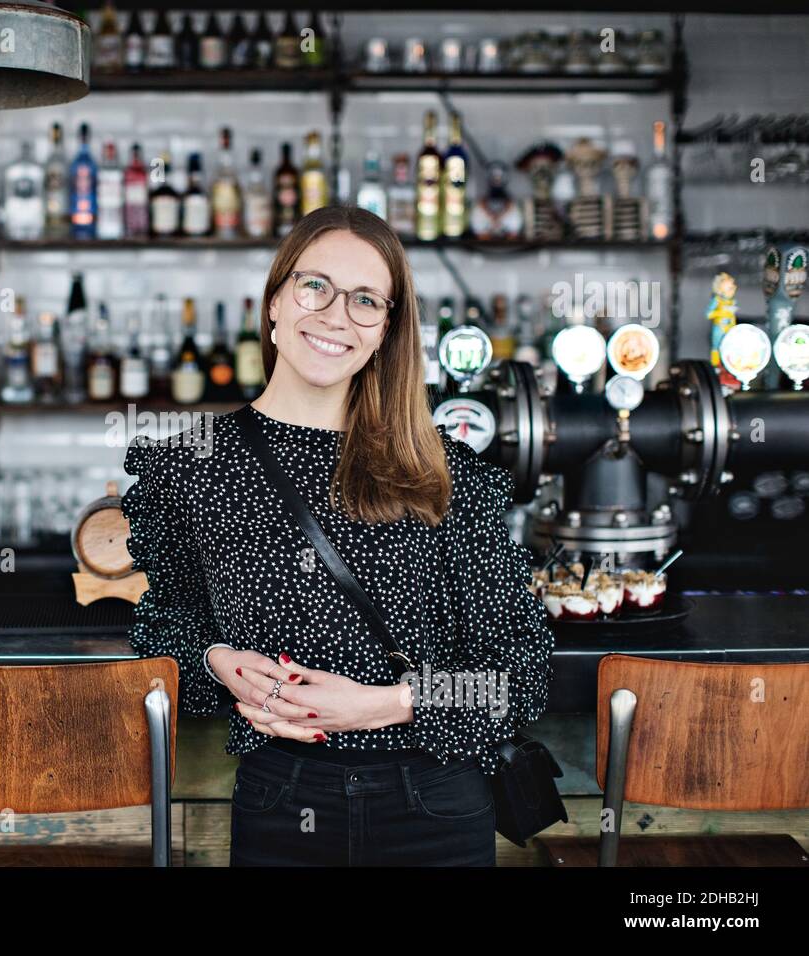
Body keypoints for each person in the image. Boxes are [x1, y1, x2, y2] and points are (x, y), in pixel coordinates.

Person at [121, 206, 554, 866]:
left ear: (385, 331)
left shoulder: (445, 476)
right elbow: (164, 622)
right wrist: (215, 660)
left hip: (435, 803)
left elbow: (520, 675)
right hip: (279, 798)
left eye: (364, 301)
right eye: (314, 285)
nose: (335, 316)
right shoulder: (190, 466)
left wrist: (386, 705)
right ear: (272, 302)